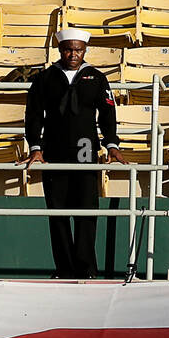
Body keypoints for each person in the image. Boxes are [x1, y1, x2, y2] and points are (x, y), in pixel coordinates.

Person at [22, 28, 125, 279]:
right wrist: (35, 147)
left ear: (85, 50)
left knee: (86, 210)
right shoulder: (45, 78)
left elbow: (108, 114)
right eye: (68, 49)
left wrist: (111, 144)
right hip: (54, 150)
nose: (73, 54)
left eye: (78, 50)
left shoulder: (97, 78)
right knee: (57, 212)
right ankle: (64, 269)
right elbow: (34, 115)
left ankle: (87, 268)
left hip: (85, 150)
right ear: (60, 49)